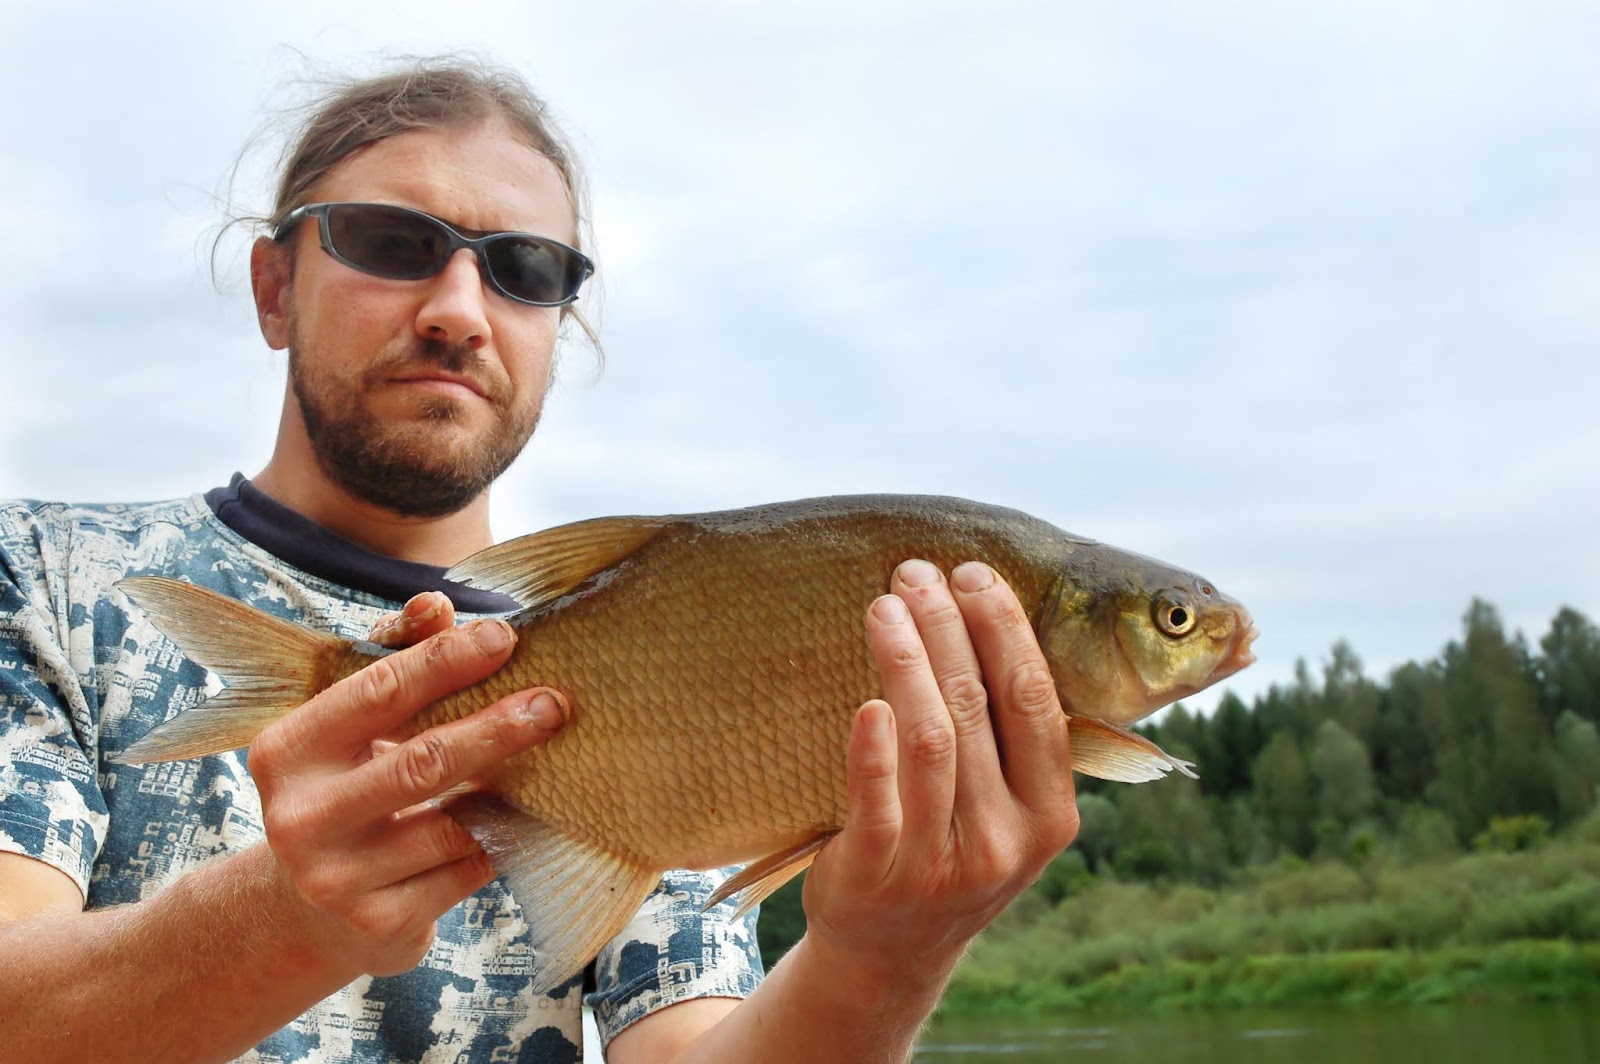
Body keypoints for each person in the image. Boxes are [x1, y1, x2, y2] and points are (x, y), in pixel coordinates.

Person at [0, 58, 1080, 1062]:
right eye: (389, 241)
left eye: (525, 269)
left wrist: (881, 954)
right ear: (274, 287)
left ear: (558, 324)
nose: (460, 310)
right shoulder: (39, 569)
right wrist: (282, 917)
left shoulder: (660, 662)